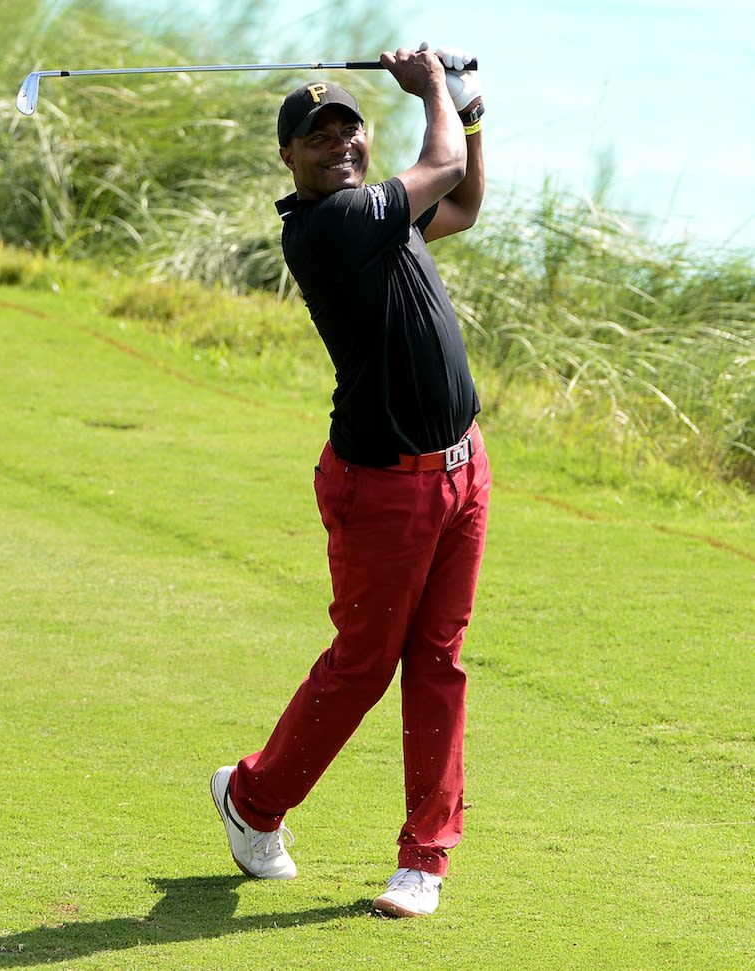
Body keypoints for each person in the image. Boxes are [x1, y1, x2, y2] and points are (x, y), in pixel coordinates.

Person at [211, 43, 490, 919]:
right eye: (318, 136)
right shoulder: (330, 224)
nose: (339, 145)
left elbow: (464, 201)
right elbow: (442, 167)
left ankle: (424, 861)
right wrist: (435, 89)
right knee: (364, 667)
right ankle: (251, 799)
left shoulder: (382, 214)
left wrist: (471, 111)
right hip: (383, 487)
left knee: (438, 660)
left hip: (462, 472)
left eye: (349, 130)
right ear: (288, 157)